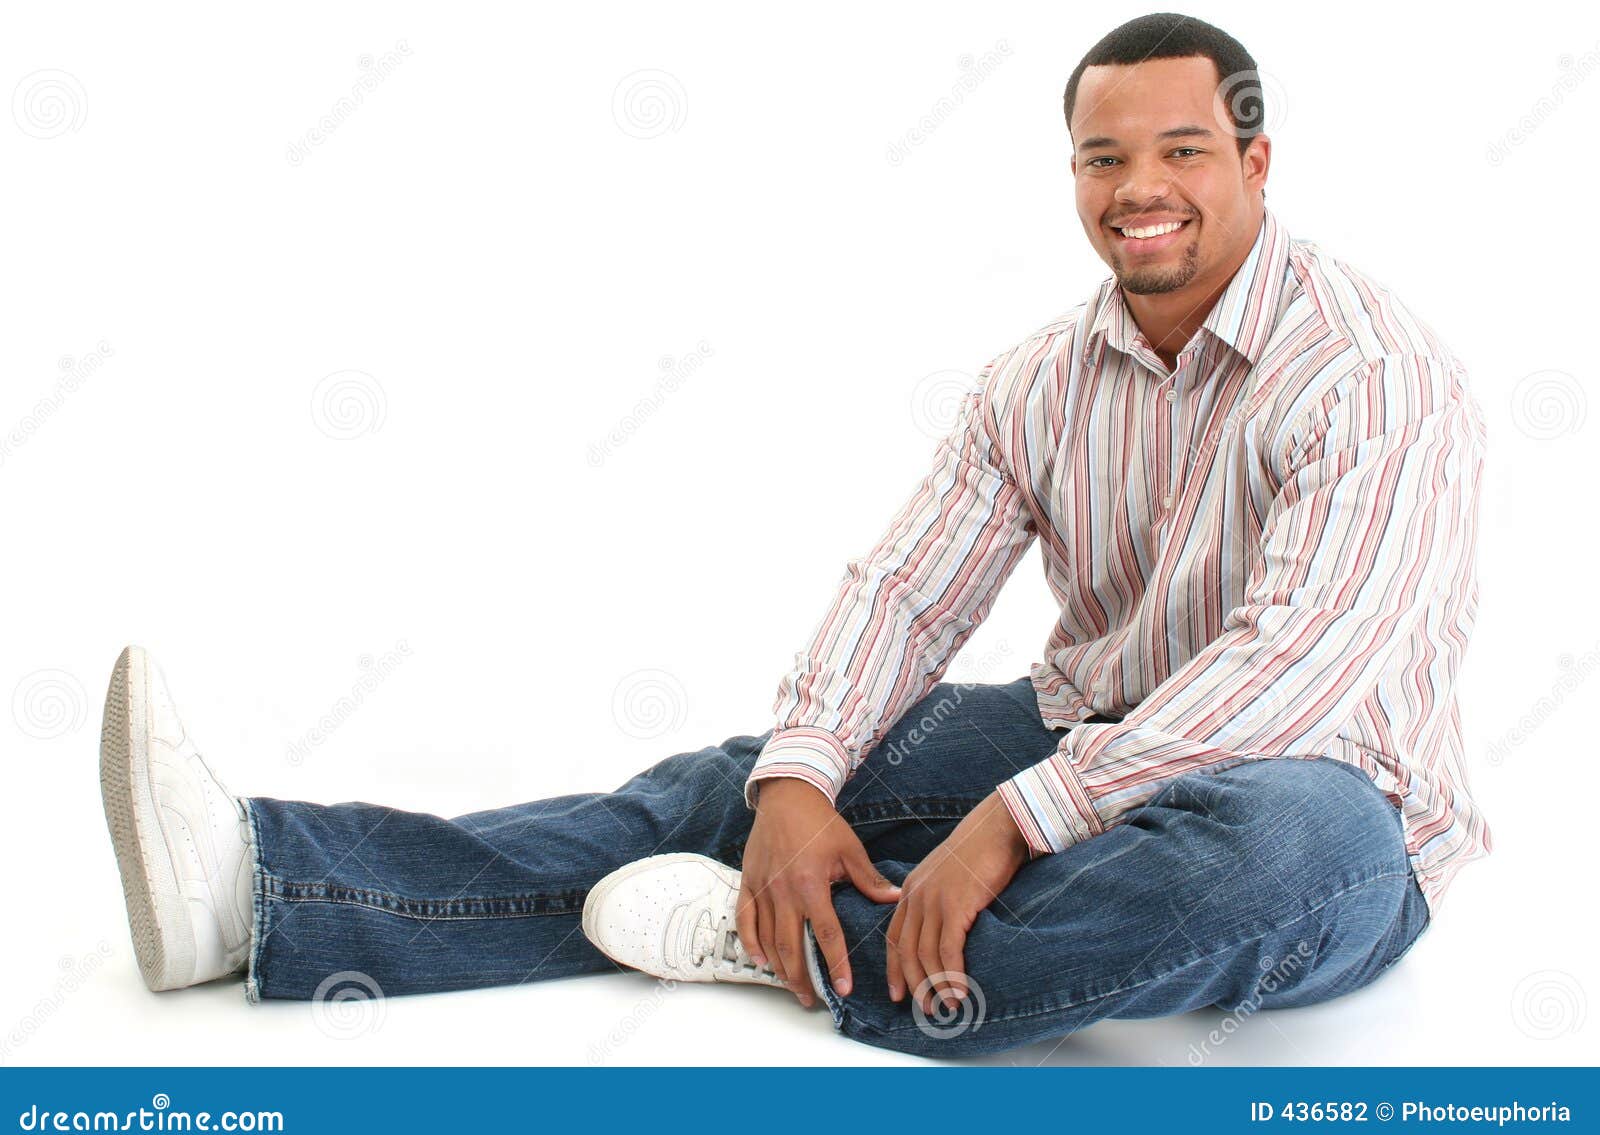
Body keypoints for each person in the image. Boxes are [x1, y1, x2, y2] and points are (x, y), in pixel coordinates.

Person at [97, 12, 1490, 1060]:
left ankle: (818, 959)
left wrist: (1017, 822)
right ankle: (269, 890)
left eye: (1183, 150)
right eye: (1102, 157)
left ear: (1253, 160)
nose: (1141, 187)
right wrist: (802, 782)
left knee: (1271, 851)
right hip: (1083, 731)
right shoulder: (1039, 379)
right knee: (749, 779)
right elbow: (904, 596)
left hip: (1331, 802)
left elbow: (1295, 665)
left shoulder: (1372, 375)